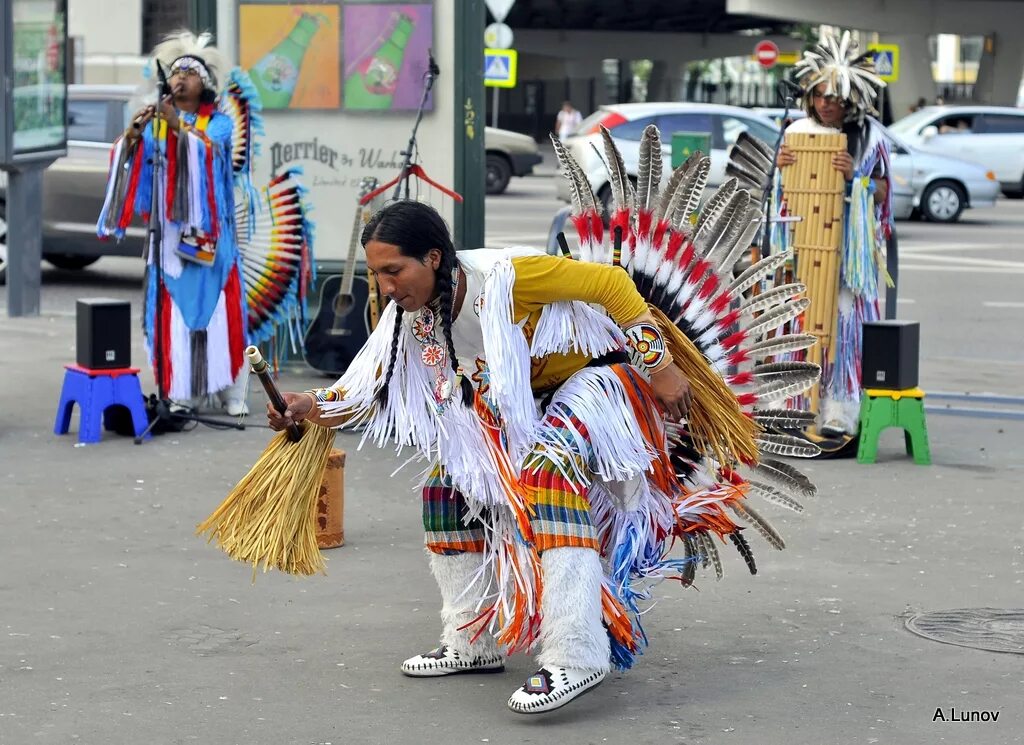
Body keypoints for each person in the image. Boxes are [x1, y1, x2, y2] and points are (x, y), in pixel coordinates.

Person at [266, 143, 820, 712]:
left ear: (432, 258)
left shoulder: (508, 276)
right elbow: (366, 389)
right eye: (378, 273)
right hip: (529, 402)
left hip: (601, 378)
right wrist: (307, 404)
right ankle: (472, 639)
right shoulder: (413, 314)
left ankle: (577, 654)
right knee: (447, 486)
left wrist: (662, 368)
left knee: (549, 474)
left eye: (393, 270)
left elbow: (612, 285)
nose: (385, 286)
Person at [97, 31, 314, 415]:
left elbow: (208, 151)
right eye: (176, 72)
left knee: (219, 311)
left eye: (190, 73)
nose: (181, 77)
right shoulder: (157, 123)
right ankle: (182, 389)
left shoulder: (219, 124)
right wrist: (133, 135)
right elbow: (132, 162)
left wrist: (176, 127)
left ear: (206, 84)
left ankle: (231, 390)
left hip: (211, 236)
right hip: (169, 238)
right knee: (175, 315)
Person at [775, 31, 893, 439]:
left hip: (847, 250)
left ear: (850, 99)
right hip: (803, 245)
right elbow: (779, 199)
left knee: (843, 325)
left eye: (835, 96)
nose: (826, 102)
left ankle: (840, 407)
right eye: (820, 94)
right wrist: (781, 170)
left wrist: (856, 178)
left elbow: (884, 193)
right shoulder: (793, 131)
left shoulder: (870, 137)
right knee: (798, 321)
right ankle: (793, 402)